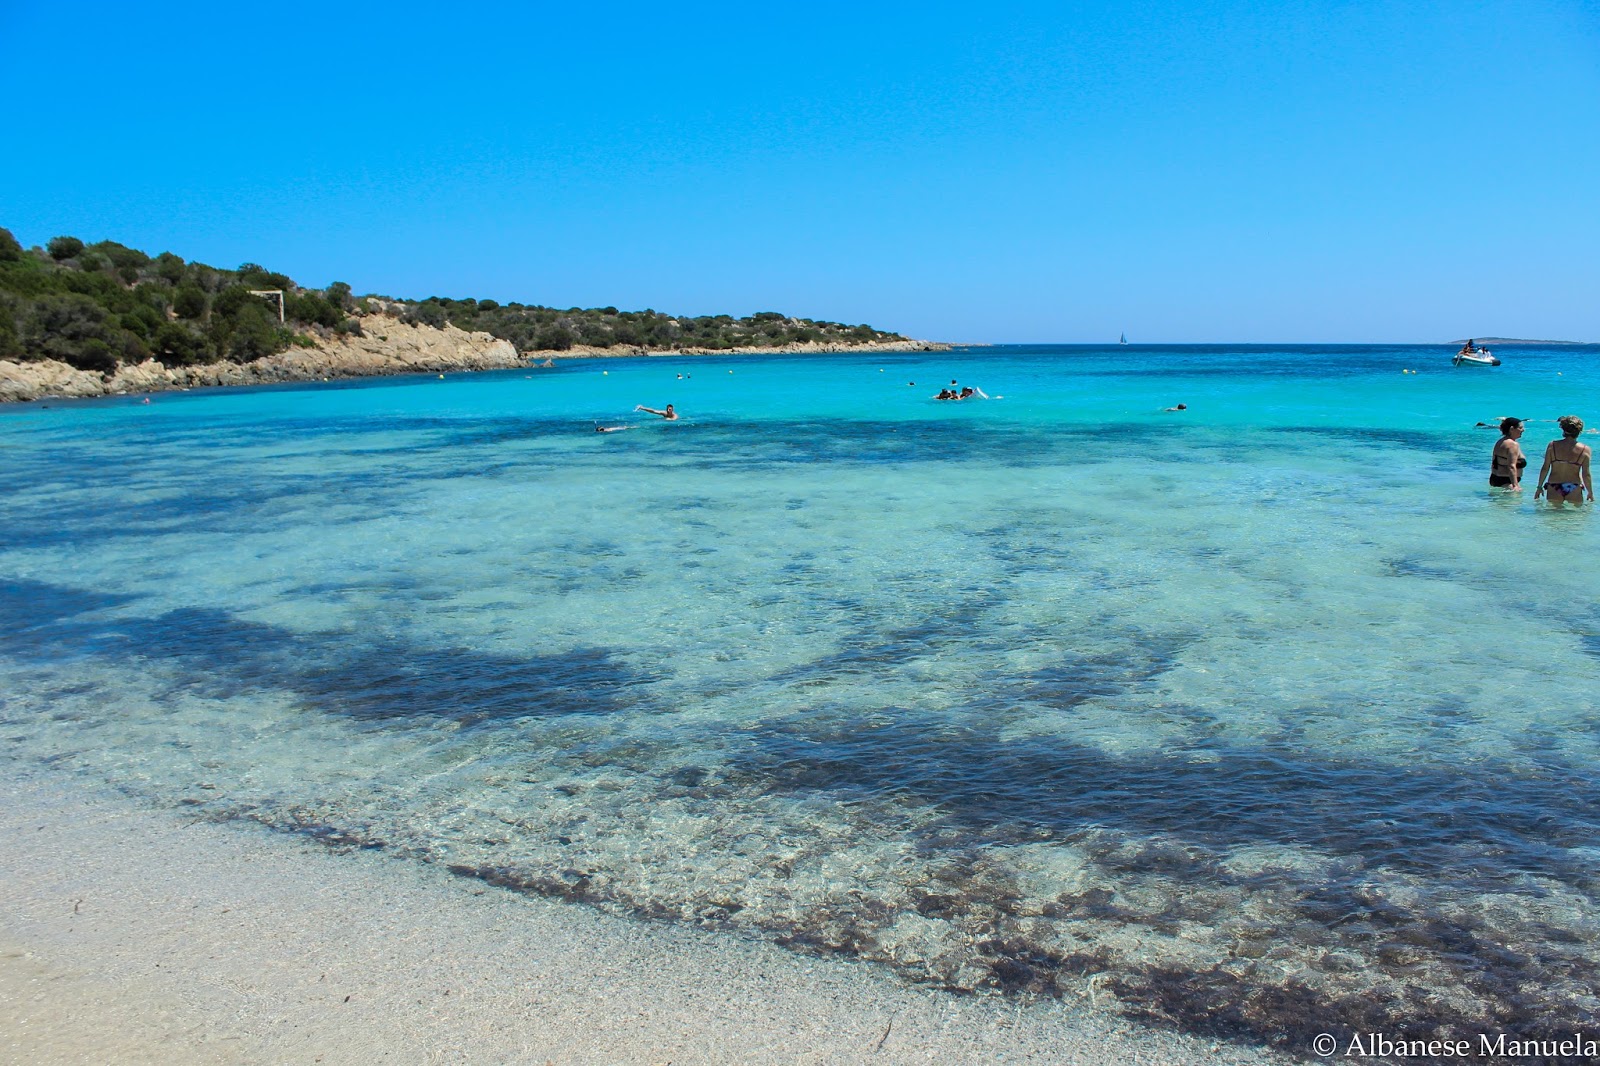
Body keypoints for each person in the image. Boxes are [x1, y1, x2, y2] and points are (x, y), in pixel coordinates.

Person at [1532, 415, 1593, 506]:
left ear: (1563, 429)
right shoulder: (1585, 449)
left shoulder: (1552, 445)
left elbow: (1545, 468)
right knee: (1576, 518)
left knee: (1553, 518)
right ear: (1579, 431)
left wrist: (1539, 487)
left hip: (1554, 485)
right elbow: (1586, 474)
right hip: (1574, 486)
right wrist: (1590, 492)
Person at [1489, 417, 1526, 489]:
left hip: (1495, 478)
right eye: (1520, 428)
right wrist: (1515, 486)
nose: (1523, 430)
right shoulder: (1512, 445)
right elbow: (1511, 466)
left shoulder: (1500, 442)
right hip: (1507, 481)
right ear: (1512, 429)